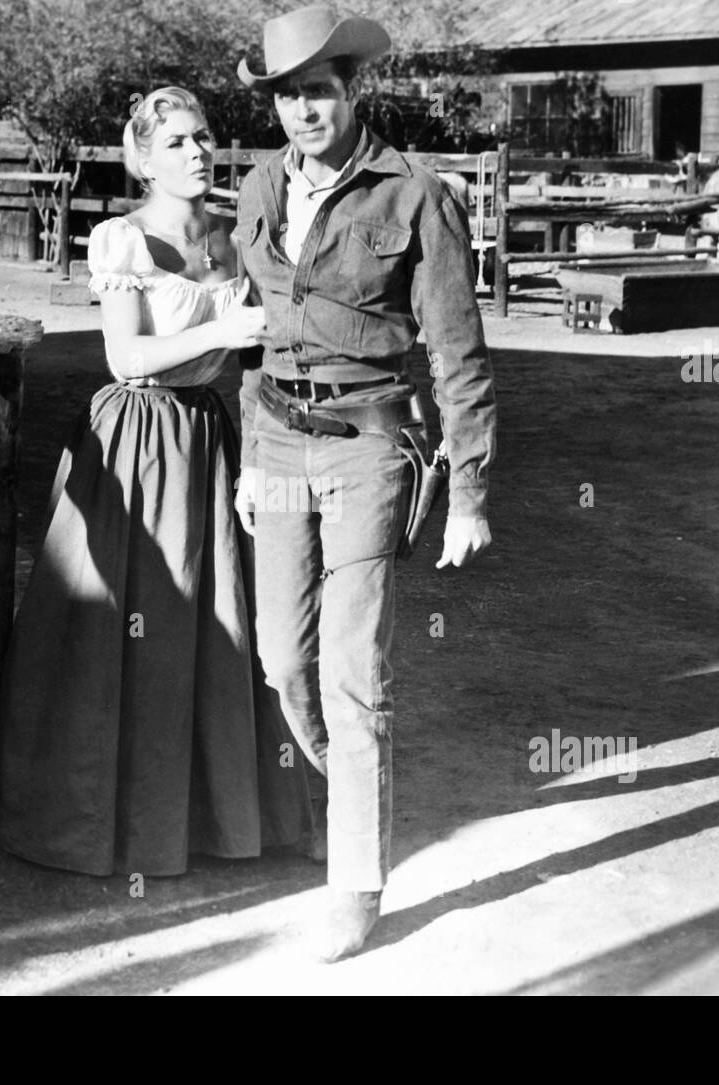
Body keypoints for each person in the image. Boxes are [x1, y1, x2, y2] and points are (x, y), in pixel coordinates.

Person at [0, 86, 311, 877]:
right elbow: (125, 357)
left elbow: (273, 347)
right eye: (174, 143)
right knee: (130, 631)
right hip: (135, 442)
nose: (196, 153)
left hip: (209, 437)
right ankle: (109, 824)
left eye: (203, 139)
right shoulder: (121, 239)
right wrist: (222, 329)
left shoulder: (239, 234)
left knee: (224, 625)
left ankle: (218, 817)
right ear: (141, 158)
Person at [234, 5, 498, 961]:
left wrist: (467, 488)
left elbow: (456, 351)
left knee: (352, 677)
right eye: (287, 94)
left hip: (369, 449)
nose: (303, 110)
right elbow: (259, 332)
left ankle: (356, 878)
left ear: (352, 91)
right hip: (275, 445)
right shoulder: (260, 186)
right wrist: (248, 454)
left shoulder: (416, 195)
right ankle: (351, 795)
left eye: (318, 90)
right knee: (280, 661)